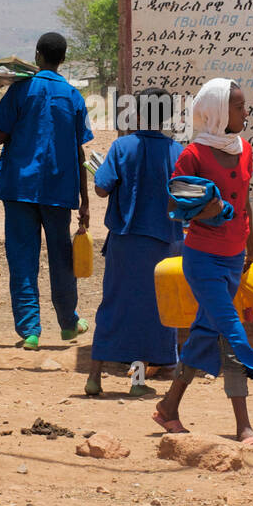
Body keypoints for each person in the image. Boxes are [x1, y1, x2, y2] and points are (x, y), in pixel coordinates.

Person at [152, 78, 253, 450]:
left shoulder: (245, 150)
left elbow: (245, 205)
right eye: (239, 107)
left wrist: (252, 255)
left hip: (233, 256)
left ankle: (168, 406)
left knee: (205, 332)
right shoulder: (193, 154)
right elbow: (176, 205)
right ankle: (244, 426)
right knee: (231, 333)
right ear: (219, 112)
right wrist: (208, 210)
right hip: (203, 258)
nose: (245, 112)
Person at [0, 32, 93, 350]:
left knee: (22, 258)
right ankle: (68, 323)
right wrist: (85, 201)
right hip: (59, 190)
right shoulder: (73, 96)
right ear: (62, 58)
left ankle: (30, 331)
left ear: (37, 55)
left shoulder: (20, 89)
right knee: (62, 257)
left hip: (19, 187)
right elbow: (79, 152)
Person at [85, 88, 184, 397]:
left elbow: (102, 189)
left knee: (114, 305)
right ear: (167, 116)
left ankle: (94, 377)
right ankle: (137, 382)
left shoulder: (121, 147)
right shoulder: (178, 153)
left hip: (124, 242)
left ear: (138, 114)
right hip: (163, 245)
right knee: (151, 312)